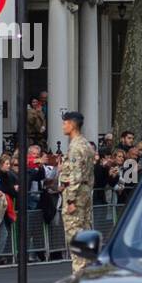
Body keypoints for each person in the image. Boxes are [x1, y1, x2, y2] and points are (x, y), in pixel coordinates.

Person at [59, 112, 96, 274]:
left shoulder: (75, 147)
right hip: (86, 192)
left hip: (76, 194)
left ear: (72, 125)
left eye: (65, 123)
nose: (63, 126)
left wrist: (70, 200)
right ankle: (88, 270)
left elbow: (76, 175)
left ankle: (79, 272)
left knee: (75, 234)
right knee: (85, 231)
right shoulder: (87, 145)